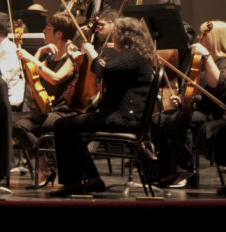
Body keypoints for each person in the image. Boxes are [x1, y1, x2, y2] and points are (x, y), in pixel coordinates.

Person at [49, 16, 157, 197]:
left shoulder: (133, 56)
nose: (113, 37)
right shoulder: (135, 57)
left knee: (64, 125)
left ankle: (75, 182)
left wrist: (91, 52)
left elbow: (106, 70)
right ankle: (91, 179)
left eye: (115, 34)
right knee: (71, 127)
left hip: (125, 118)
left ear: (124, 36)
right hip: (124, 115)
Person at [150, 19, 226, 189]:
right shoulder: (200, 63)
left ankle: (187, 171)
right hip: (198, 109)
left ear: (215, 39)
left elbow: (219, 86)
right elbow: (197, 91)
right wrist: (183, 98)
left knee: (181, 120)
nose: (200, 37)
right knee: (158, 119)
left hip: (217, 113)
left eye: (204, 35)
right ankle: (167, 170)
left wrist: (207, 58)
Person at [14, 12, 80, 187]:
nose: (43, 31)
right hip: (51, 111)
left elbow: (55, 78)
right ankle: (45, 167)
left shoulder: (72, 57)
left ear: (59, 34)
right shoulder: (51, 57)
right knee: (15, 123)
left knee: (21, 125)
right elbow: (33, 74)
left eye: (47, 28)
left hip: (66, 112)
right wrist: (38, 52)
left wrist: (30, 57)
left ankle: (47, 167)